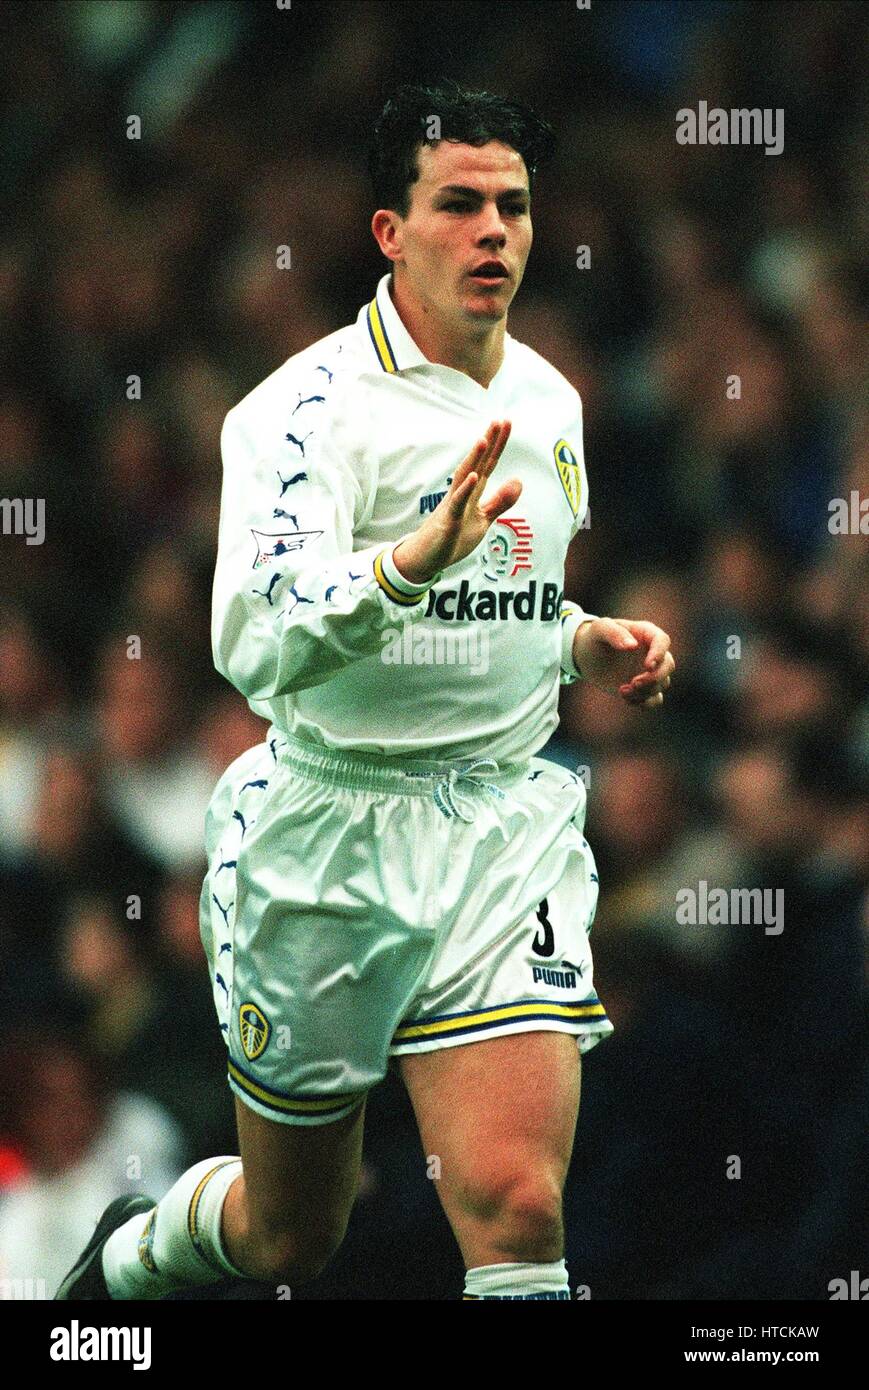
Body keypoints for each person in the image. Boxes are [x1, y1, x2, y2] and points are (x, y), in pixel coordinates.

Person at [56, 79, 674, 1303]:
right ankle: (132, 1254)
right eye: (458, 205)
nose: (491, 230)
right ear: (390, 232)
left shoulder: (549, 400)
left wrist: (574, 641)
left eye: (511, 205)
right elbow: (251, 636)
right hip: (327, 837)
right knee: (295, 1230)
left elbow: (496, 605)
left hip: (501, 824)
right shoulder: (300, 412)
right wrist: (403, 565)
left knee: (518, 1203)